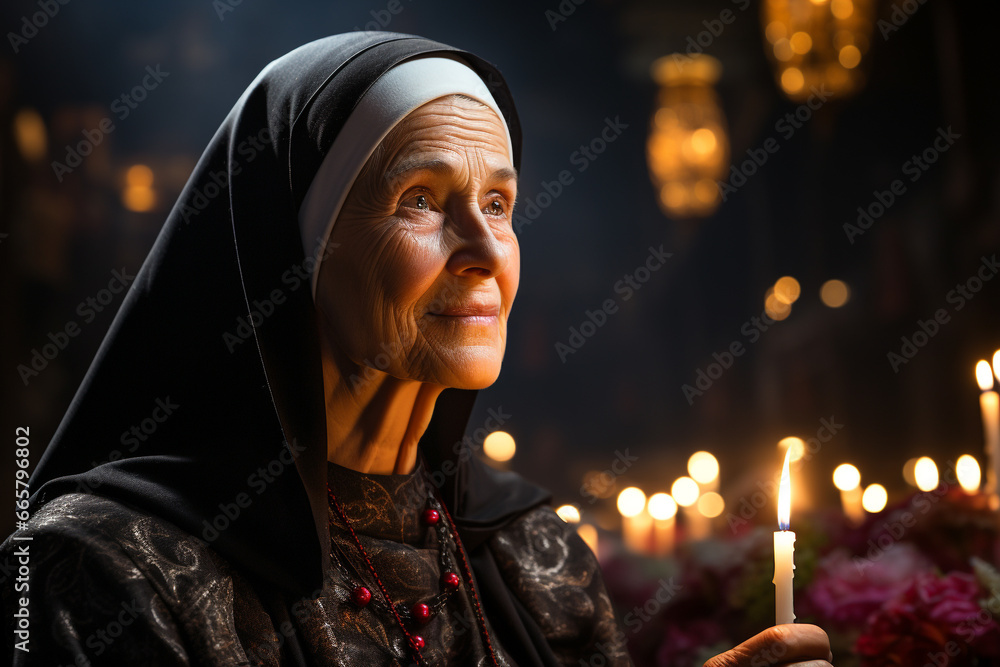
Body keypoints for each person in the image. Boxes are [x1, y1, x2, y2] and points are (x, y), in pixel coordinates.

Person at [1, 32, 832, 666]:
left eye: (500, 203)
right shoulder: (106, 574)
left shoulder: (530, 550)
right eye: (422, 199)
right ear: (294, 254)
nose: (484, 248)